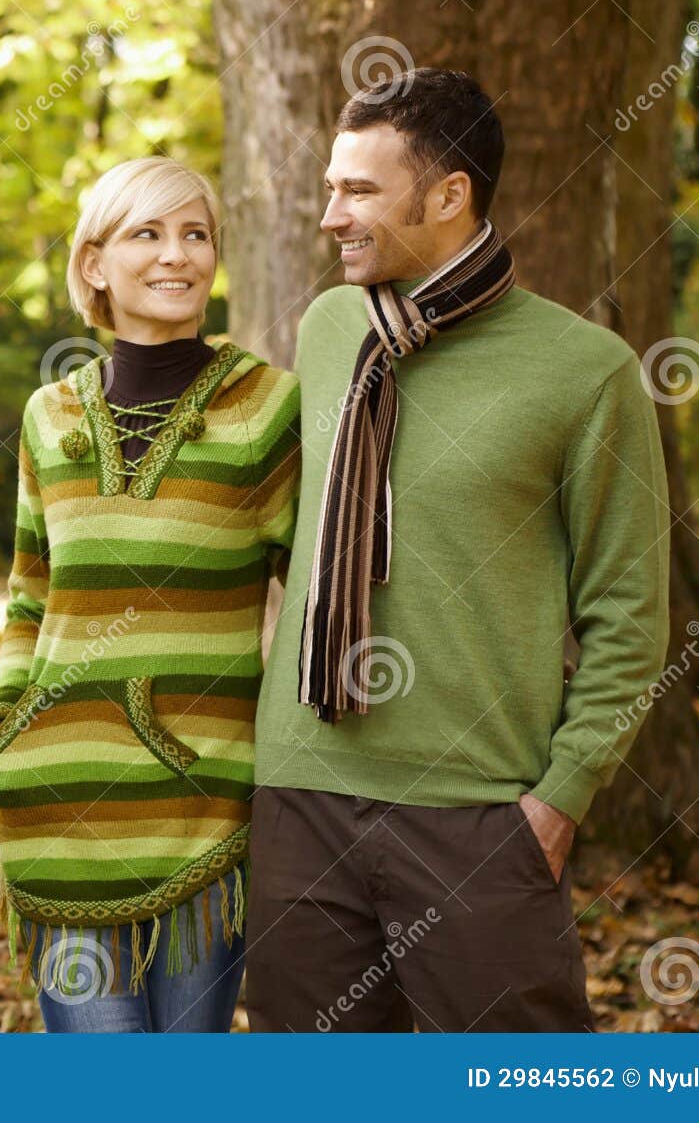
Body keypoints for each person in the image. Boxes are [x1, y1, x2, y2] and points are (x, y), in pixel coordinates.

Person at [249, 68, 671, 1032]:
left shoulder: (584, 370)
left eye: (357, 190)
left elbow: (632, 614)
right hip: (301, 797)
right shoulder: (327, 329)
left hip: (480, 811)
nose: (329, 216)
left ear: (449, 195)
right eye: (328, 187)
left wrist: (558, 801)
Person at [0, 156, 301, 1032]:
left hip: (204, 816)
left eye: (197, 235)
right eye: (148, 233)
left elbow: (316, 600)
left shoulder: (270, 409)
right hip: (55, 812)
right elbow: (28, 593)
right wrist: (1, 723)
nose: (178, 256)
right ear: (94, 264)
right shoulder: (51, 415)